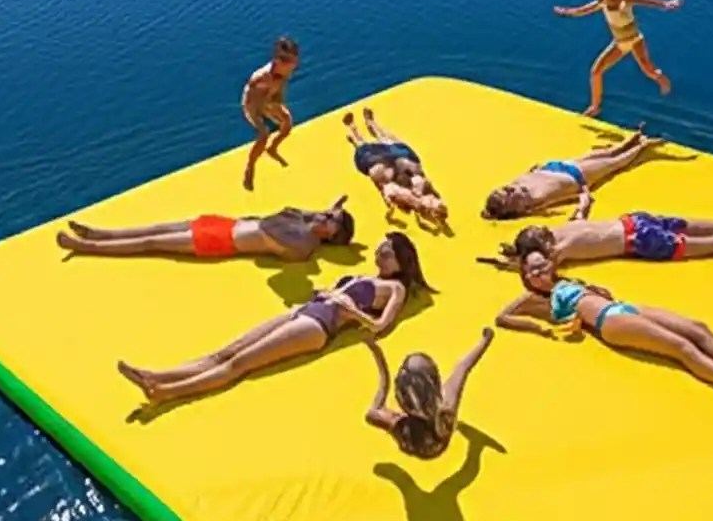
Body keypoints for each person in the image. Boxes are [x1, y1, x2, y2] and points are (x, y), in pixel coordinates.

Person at [117, 232, 434, 407]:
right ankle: (157, 376)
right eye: (381, 249)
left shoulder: (395, 289)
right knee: (224, 352)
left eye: (387, 253)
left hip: (318, 326)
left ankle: (166, 392)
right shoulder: (368, 275)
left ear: (401, 262)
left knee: (240, 364)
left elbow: (381, 326)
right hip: (306, 310)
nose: (379, 254)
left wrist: (354, 313)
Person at [495, 250, 713, 404]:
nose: (539, 271)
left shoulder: (567, 280)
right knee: (683, 349)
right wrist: (539, 329)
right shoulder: (535, 298)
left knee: (698, 328)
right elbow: (503, 316)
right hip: (609, 323)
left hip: (623, 307)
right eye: (532, 270)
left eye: (542, 264)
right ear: (527, 279)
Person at [54, 196, 355, 262]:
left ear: (331, 234)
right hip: (229, 224)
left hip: (221, 241)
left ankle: (84, 247)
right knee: (158, 227)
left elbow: (271, 227)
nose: (324, 215)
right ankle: (100, 234)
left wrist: (314, 218)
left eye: (330, 218)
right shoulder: (307, 224)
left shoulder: (304, 244)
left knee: (152, 243)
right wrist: (329, 209)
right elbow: (300, 214)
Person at [553, 0, 684, 117]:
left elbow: (645, 1)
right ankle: (595, 106)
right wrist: (565, 12)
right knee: (595, 72)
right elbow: (581, 11)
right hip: (619, 44)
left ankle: (662, 79)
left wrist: (666, 4)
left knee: (648, 70)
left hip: (635, 40)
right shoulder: (602, 3)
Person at [479, 212, 713, 267]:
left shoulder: (558, 249)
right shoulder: (562, 230)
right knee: (709, 226)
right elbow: (581, 216)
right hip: (633, 219)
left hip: (638, 239)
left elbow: (537, 269)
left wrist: (508, 261)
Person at [361, 327, 495, 460]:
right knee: (458, 373)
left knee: (376, 415)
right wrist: (485, 340)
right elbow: (463, 367)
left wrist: (378, 356)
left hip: (418, 445)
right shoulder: (446, 411)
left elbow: (372, 413)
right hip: (438, 442)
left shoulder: (401, 428)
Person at [482, 123, 662, 220]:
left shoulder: (516, 186)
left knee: (607, 153)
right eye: (508, 194)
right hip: (574, 177)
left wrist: (535, 169)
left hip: (555, 167)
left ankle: (634, 138)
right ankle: (643, 145)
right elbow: (558, 199)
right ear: (514, 207)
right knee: (613, 162)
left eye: (504, 188)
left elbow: (529, 174)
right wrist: (581, 198)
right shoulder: (531, 204)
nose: (509, 189)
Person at [343, 108, 449, 227]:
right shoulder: (428, 191)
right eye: (434, 200)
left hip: (390, 174)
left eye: (431, 202)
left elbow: (388, 191)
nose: (431, 198)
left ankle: (354, 131)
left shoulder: (410, 200)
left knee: (370, 157)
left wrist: (391, 202)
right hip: (403, 166)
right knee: (392, 143)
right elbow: (422, 177)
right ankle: (372, 124)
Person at [242, 36, 300, 190]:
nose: (294, 66)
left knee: (287, 122)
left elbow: (281, 85)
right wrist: (263, 113)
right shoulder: (262, 77)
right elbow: (252, 97)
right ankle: (250, 167)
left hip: (269, 99)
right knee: (263, 135)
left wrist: (279, 101)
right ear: (278, 61)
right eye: (291, 62)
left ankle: (273, 148)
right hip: (253, 104)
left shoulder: (285, 71)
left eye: (295, 61)